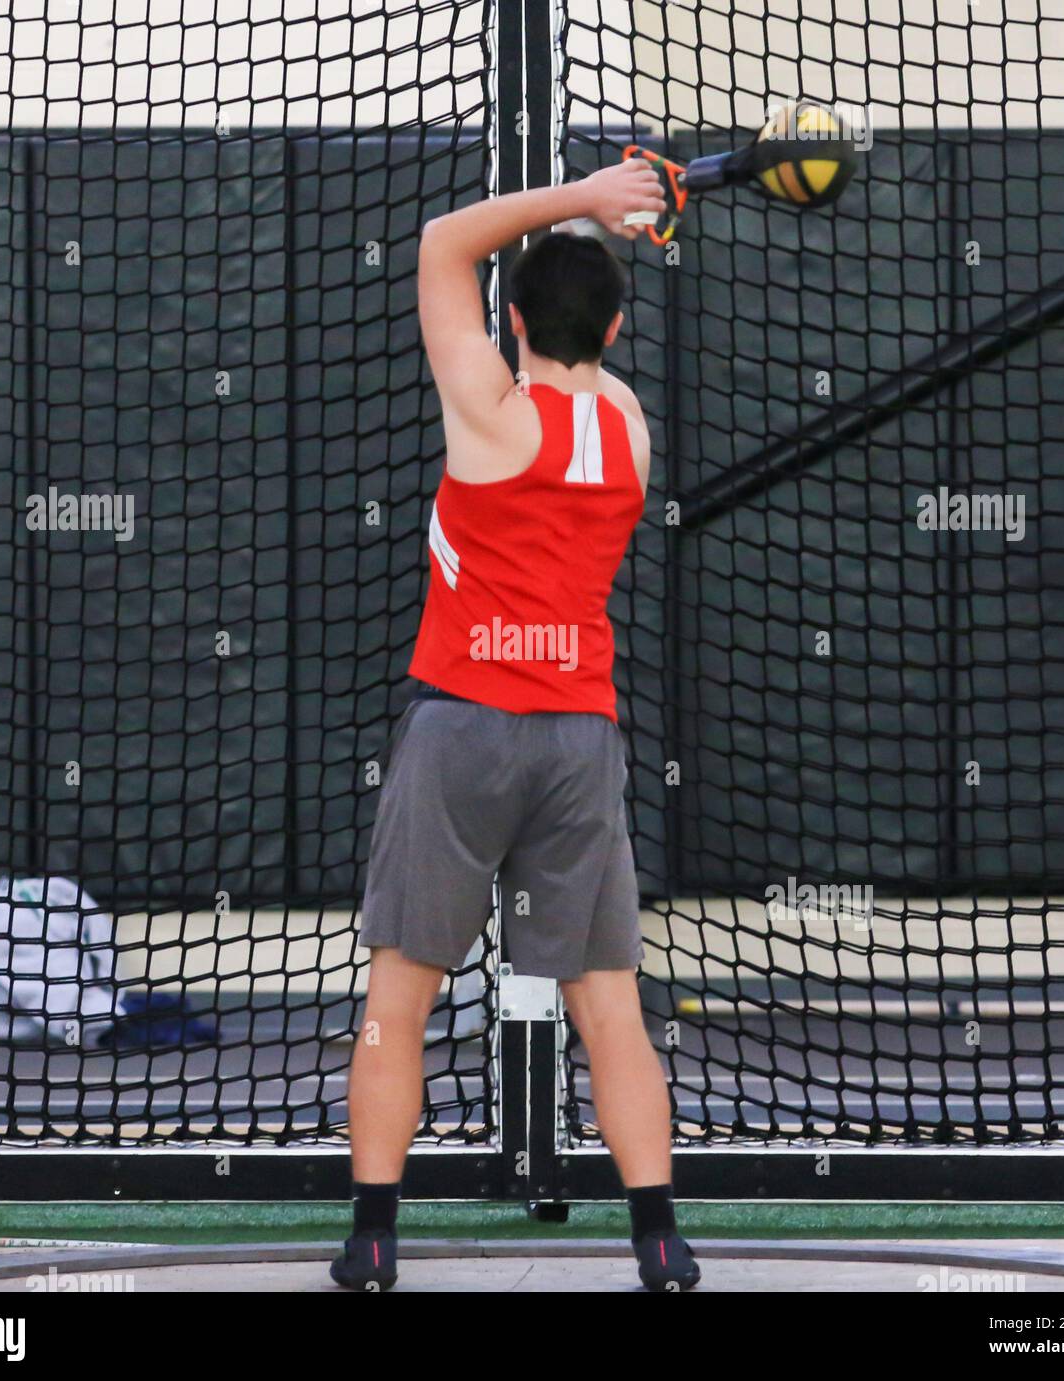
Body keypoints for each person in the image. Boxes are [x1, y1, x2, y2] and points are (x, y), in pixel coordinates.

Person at [332, 159, 700, 1293]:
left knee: (400, 995)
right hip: (577, 743)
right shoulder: (627, 427)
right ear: (620, 327)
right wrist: (602, 224)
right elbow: (579, 347)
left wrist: (580, 195)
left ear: (512, 321)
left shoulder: (490, 412)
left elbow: (445, 238)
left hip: (466, 732)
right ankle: (659, 1240)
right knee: (608, 1005)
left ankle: (375, 1236)